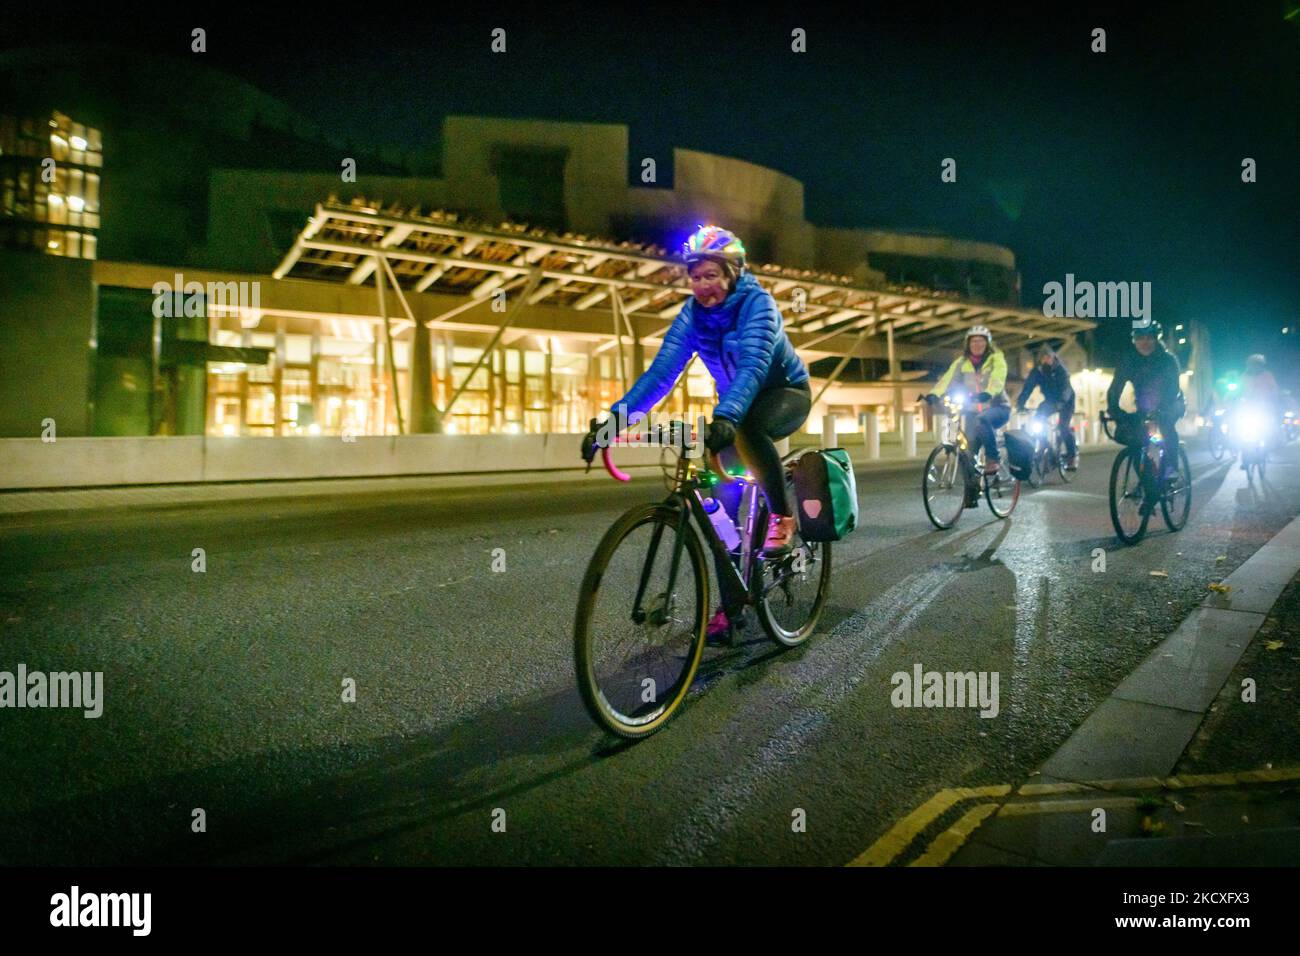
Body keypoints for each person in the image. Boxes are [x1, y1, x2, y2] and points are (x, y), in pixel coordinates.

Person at [580, 224, 811, 640]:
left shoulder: (758, 305)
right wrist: (612, 423)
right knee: (720, 508)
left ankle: (783, 516)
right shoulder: (692, 316)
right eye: (696, 277)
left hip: (782, 393)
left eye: (712, 275)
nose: (703, 286)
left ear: (733, 273)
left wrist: (727, 418)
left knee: (749, 429)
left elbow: (753, 367)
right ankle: (733, 607)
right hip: (733, 407)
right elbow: (660, 375)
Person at [1106, 321, 1185, 492]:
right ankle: (1148, 483)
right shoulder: (1129, 361)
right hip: (1144, 407)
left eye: (1150, 338)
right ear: (1134, 340)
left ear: (1156, 339)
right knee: (1137, 443)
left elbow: (1172, 388)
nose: (1145, 342)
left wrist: (1161, 410)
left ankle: (1171, 468)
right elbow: (1116, 386)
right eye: (1140, 338)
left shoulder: (1167, 360)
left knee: (1166, 428)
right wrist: (1113, 409)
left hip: (1171, 403)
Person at [925, 325, 1010, 481]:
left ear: (987, 344)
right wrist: (934, 394)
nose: (977, 344)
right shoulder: (961, 362)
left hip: (997, 407)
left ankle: (993, 459)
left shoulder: (996, 359)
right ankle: (972, 487)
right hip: (973, 409)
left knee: (983, 420)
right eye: (973, 341)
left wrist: (989, 392)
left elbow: (998, 378)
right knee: (970, 449)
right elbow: (947, 379)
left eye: (981, 341)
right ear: (968, 344)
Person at [1016, 343, 1078, 470]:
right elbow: (1028, 388)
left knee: (1063, 427)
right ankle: (1044, 444)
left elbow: (1066, 390)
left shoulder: (1061, 370)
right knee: (1038, 420)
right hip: (1050, 401)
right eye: (1043, 358)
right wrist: (1020, 403)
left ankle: (1072, 457)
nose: (1046, 360)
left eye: (1048, 357)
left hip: (1066, 401)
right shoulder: (1037, 372)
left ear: (1053, 357)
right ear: (1040, 359)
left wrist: (1061, 403)